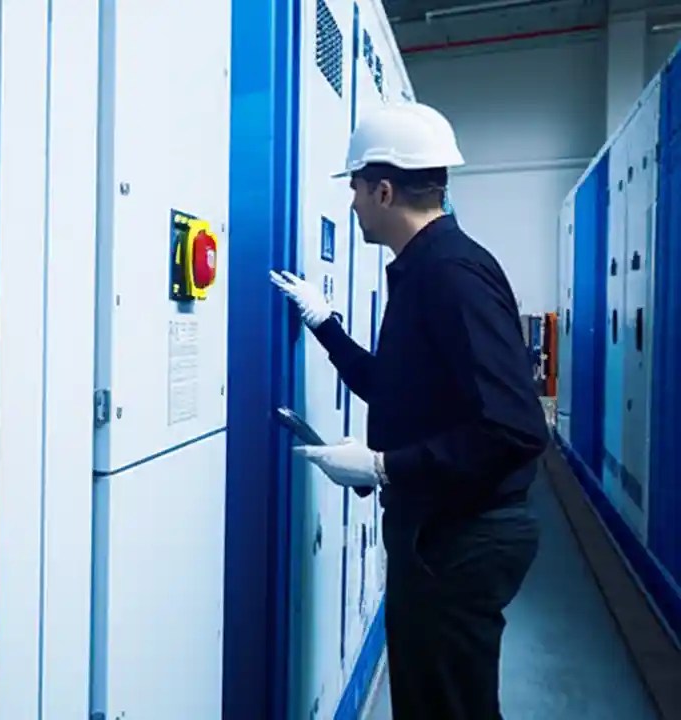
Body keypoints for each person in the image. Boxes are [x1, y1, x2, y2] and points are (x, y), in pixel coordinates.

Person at [270, 102, 551, 720]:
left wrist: (385, 467)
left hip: (462, 540)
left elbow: (516, 428)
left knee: (446, 709)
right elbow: (396, 388)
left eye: (355, 189)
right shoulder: (429, 269)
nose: (351, 205)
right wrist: (325, 326)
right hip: (448, 532)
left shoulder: (450, 276)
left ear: (385, 189)